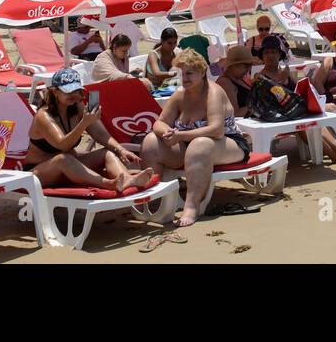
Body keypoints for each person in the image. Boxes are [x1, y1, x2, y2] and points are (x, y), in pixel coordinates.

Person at [140, 49, 250, 227]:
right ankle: (155, 196)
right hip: (189, 145)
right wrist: (167, 133)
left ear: (202, 72)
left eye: (189, 73)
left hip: (228, 143)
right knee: (151, 141)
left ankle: (192, 206)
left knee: (199, 145)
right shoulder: (180, 94)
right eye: (181, 73)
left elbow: (216, 130)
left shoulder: (213, 92)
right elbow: (159, 122)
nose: (184, 78)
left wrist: (180, 135)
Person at [23, 68, 154, 191]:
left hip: (71, 167)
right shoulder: (43, 115)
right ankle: (107, 184)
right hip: (39, 173)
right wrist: (84, 123)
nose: (73, 95)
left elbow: (99, 134)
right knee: (63, 159)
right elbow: (62, 145)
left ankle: (126, 179)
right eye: (68, 91)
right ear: (55, 92)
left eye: (76, 90)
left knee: (107, 152)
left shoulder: (77, 106)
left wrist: (121, 149)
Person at [250, 36, 336, 163]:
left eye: (273, 52)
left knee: (331, 108)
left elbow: (297, 92)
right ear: (262, 56)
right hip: (277, 116)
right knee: (308, 121)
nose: (270, 55)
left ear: (279, 55)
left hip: (293, 112)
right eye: (266, 52)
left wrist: (307, 85)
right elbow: (269, 101)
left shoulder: (286, 73)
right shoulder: (259, 77)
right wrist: (278, 82)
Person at [217, 44, 259, 113]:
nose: (249, 69)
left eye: (250, 65)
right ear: (233, 65)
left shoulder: (239, 78)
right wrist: (260, 106)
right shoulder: (225, 82)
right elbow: (235, 113)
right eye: (246, 66)